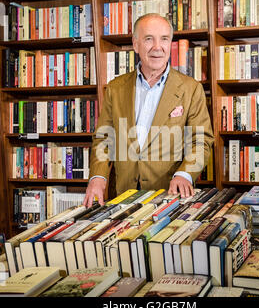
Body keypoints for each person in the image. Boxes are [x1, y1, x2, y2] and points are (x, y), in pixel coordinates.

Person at [83, 13, 214, 207]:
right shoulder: (115, 88)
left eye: (164, 39)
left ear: (170, 44)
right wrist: (97, 176)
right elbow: (104, 139)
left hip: (170, 197)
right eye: (148, 39)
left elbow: (201, 141)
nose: (157, 47)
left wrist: (185, 173)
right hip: (122, 197)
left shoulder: (191, 88)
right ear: (135, 44)